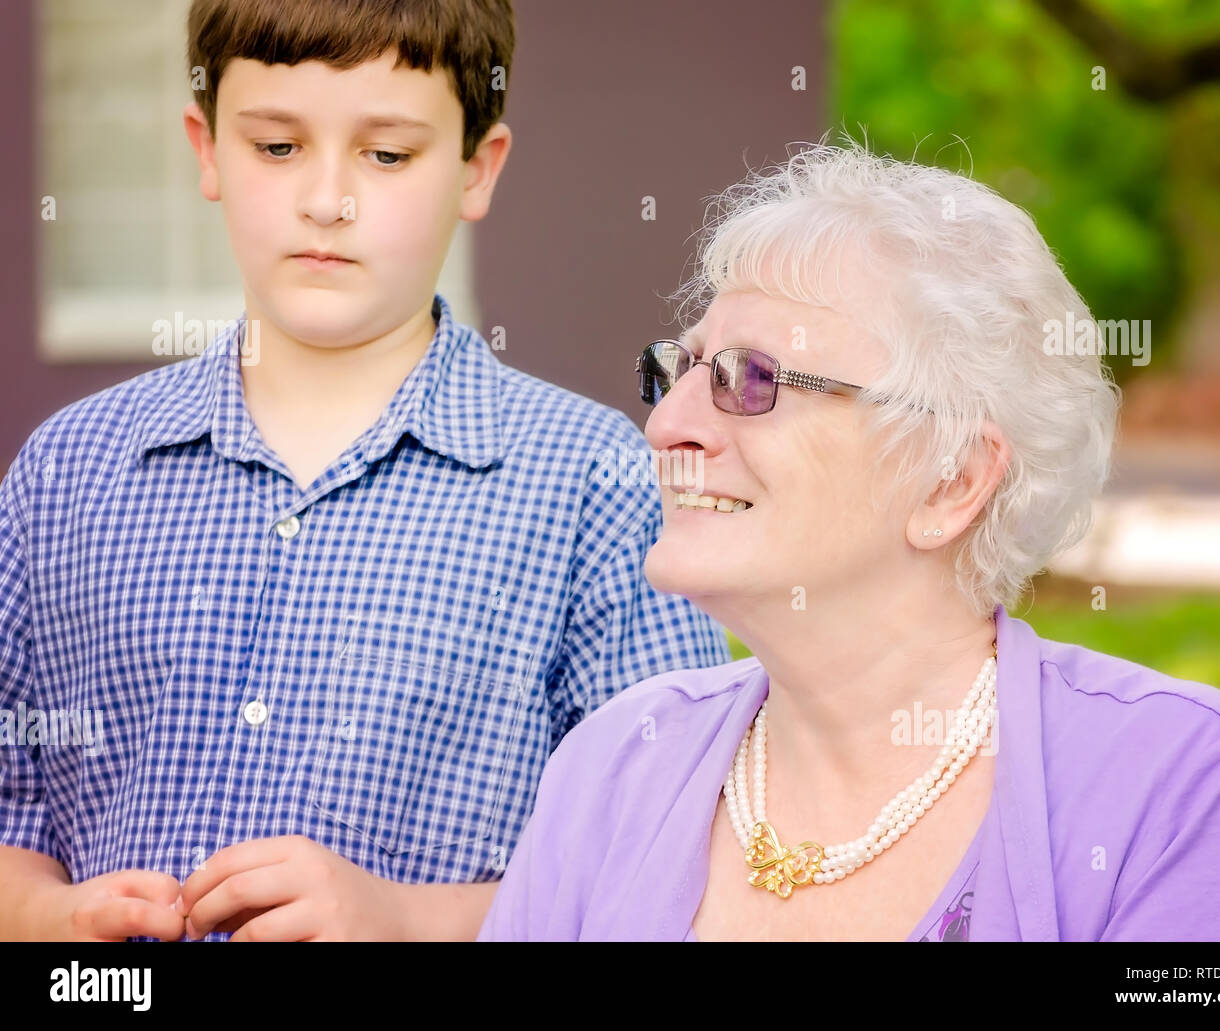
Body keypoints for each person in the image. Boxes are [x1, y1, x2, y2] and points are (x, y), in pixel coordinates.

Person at [0, 0, 731, 943]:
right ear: (206, 148)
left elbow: (662, 867)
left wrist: (406, 920)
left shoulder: (595, 484)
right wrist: (51, 916)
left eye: (386, 155)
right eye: (276, 147)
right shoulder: (66, 471)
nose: (327, 199)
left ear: (477, 167)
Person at [476, 140, 1220, 941]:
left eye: (750, 377)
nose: (665, 424)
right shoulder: (612, 767)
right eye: (678, 370)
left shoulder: (1181, 783)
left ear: (952, 479)